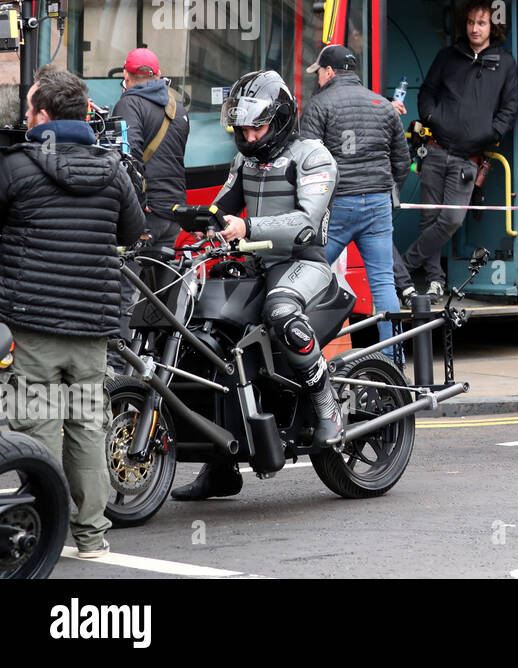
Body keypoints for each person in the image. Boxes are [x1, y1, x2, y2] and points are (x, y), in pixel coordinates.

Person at [171, 70, 341, 501]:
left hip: (303, 263)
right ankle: (221, 467)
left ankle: (326, 404)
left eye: (256, 126)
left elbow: (305, 223)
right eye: (241, 127)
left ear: (280, 119)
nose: (247, 135)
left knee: (282, 312)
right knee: (211, 343)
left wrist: (246, 226)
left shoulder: (312, 157)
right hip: (254, 263)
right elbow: (220, 206)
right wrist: (193, 225)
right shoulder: (244, 161)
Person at [0, 67, 146, 558]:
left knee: (35, 426)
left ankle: (45, 531)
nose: (23, 117)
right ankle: (92, 537)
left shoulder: (17, 166)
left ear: (42, 115)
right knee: (87, 426)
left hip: (34, 321)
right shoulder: (113, 168)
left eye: (28, 109)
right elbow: (131, 231)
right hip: (93, 324)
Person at [396, 0, 518, 300]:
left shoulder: (504, 63)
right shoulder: (448, 56)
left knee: (450, 219)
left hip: (468, 159)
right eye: (471, 22)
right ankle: (436, 280)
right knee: (428, 220)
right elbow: (427, 93)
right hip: (435, 151)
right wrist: (431, 117)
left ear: (493, 27)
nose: (475, 29)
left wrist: (491, 133)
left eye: (481, 23)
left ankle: (404, 265)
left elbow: (510, 106)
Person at [299, 44, 409, 351]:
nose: (317, 78)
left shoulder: (320, 105)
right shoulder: (383, 105)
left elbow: (306, 163)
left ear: (330, 72)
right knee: (384, 283)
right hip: (377, 204)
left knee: (307, 275)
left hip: (337, 206)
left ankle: (297, 351)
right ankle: (393, 358)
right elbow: (402, 161)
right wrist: (387, 191)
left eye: (319, 72)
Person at [112, 47, 190, 245]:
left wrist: (138, 201)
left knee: (131, 274)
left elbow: (129, 156)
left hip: (147, 214)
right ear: (159, 75)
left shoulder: (129, 104)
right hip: (174, 212)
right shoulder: (177, 108)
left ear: (126, 75)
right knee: (167, 274)